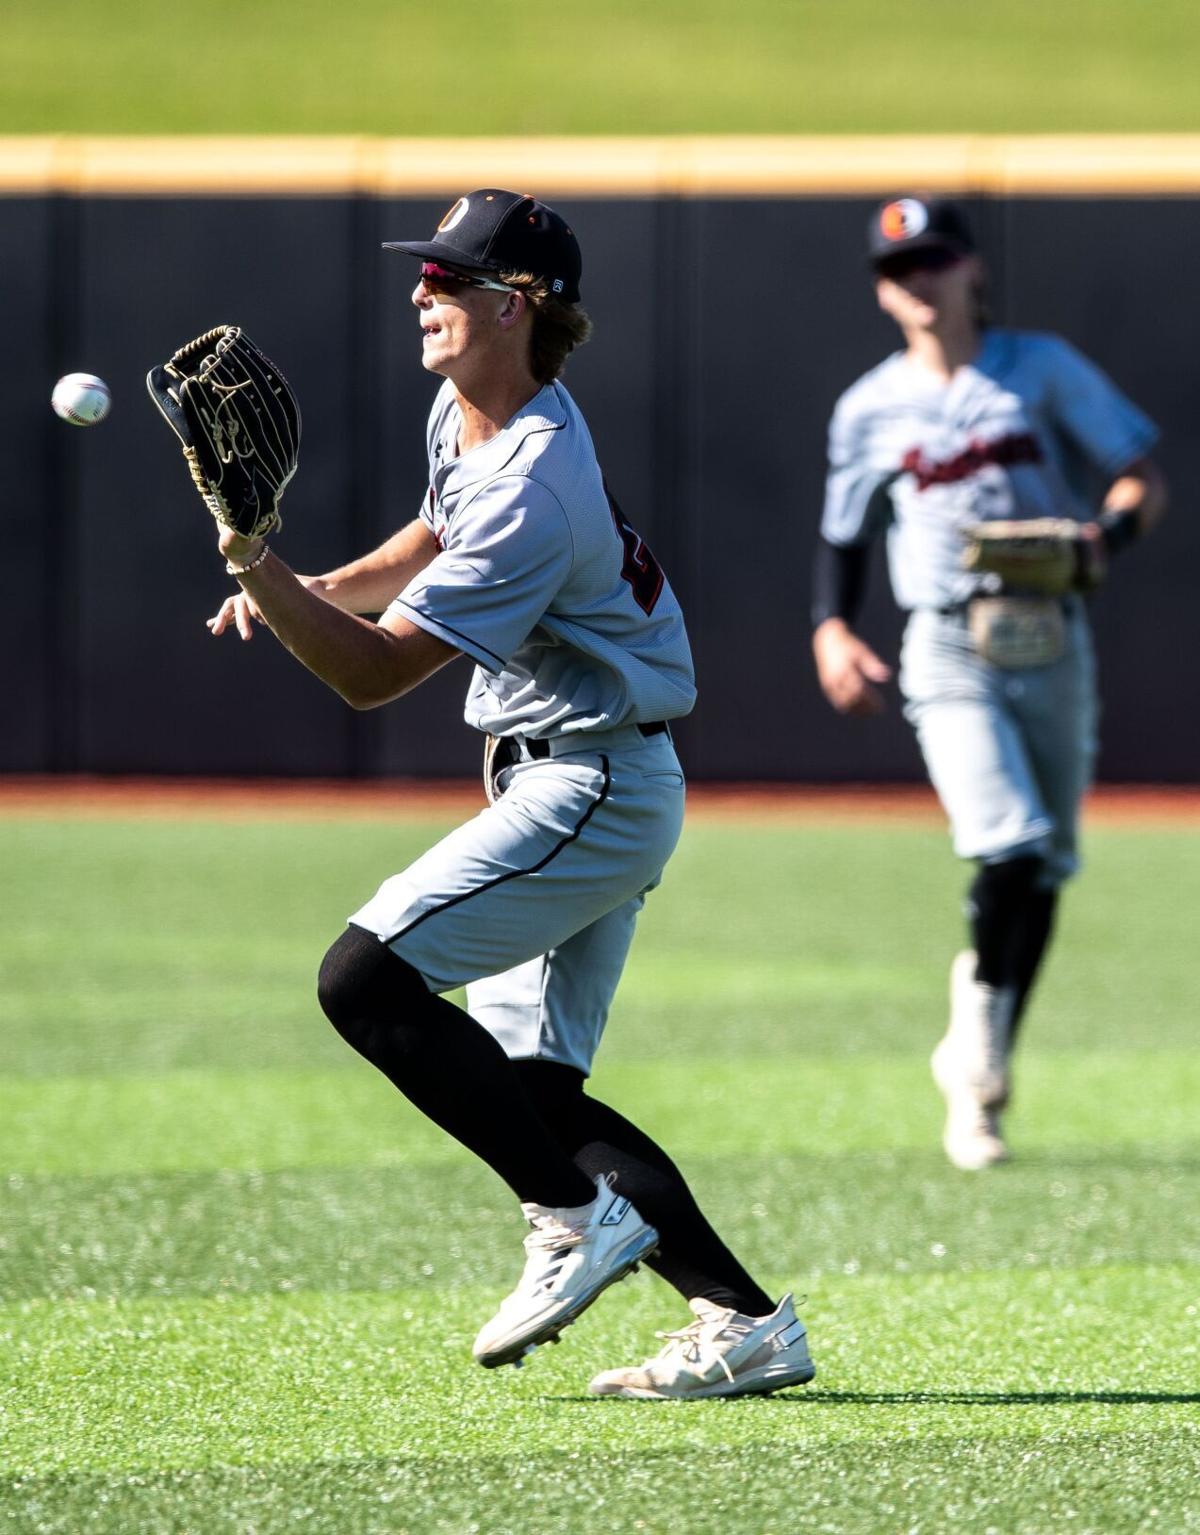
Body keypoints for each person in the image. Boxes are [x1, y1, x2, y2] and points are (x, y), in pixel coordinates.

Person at [206, 189, 815, 1398]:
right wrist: (314, 579)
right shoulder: (472, 410)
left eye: (447, 277)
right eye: (423, 272)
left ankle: (567, 1217)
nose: (421, 293)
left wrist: (257, 565)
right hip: (584, 770)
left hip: (589, 780)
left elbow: (375, 675)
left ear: (516, 304)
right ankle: (744, 1319)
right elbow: (434, 531)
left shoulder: (537, 478)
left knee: (364, 979)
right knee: (532, 1091)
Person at [811, 195, 1167, 1171]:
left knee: (1046, 861)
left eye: (933, 258)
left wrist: (1107, 535)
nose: (918, 279)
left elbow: (1142, 475)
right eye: (898, 268)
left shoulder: (1039, 367)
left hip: (1053, 631)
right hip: (947, 640)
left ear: (971, 268)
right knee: (1007, 841)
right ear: (884, 292)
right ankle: (973, 1062)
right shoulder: (869, 405)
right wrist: (833, 628)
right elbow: (844, 532)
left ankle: (984, 1057)